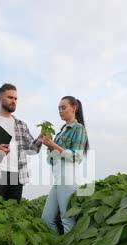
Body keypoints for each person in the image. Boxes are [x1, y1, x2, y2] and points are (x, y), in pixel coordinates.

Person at [0, 83, 44, 202]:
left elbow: (32, 149)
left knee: (12, 214)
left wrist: (40, 139)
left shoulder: (21, 125)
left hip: (17, 176)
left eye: (15, 98)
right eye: (10, 97)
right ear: (0, 98)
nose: (14, 101)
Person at [40, 96, 89, 234]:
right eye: (59, 109)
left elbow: (76, 157)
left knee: (67, 219)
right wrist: (49, 146)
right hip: (58, 179)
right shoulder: (61, 131)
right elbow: (51, 160)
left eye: (63, 107)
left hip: (68, 179)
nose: (60, 111)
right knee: (46, 219)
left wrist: (53, 145)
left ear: (74, 108)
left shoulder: (79, 129)